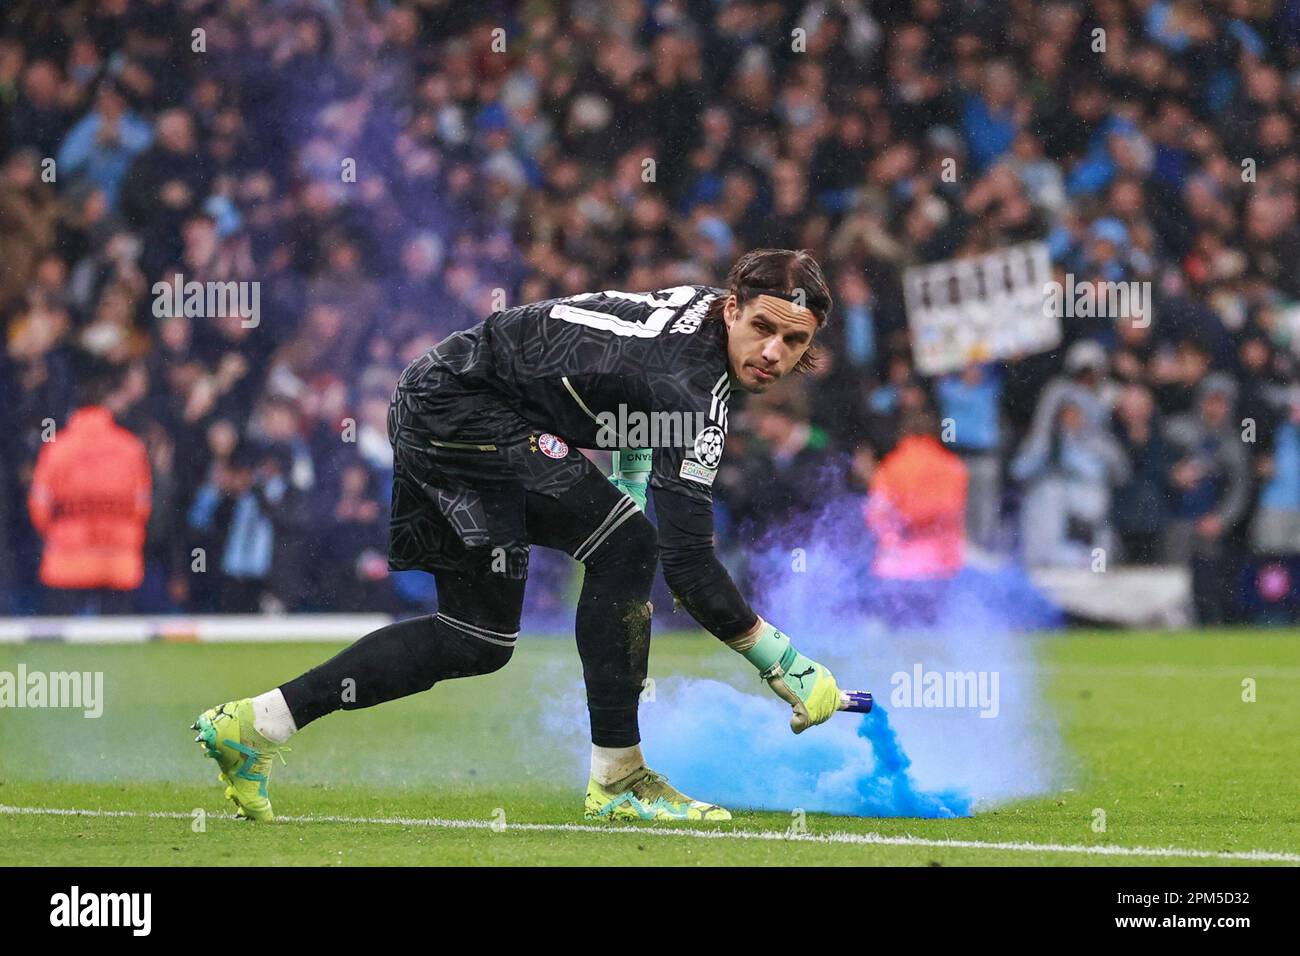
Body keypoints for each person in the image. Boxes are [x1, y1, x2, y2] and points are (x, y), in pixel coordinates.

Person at [193, 249, 845, 822]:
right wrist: (782, 661)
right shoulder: (693, 386)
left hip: (440, 396)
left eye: (793, 342)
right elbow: (689, 563)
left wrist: (632, 480)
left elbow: (627, 392)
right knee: (631, 547)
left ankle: (257, 725)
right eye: (763, 328)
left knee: (475, 640)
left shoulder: (700, 325)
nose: (772, 353)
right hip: (465, 409)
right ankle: (620, 779)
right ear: (732, 308)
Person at [27, 371, 152, 614]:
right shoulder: (130, 447)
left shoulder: (57, 448)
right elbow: (142, 505)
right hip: (118, 558)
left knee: (59, 644)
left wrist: (58, 532)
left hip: (67, 560)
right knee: (117, 644)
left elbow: (39, 504)